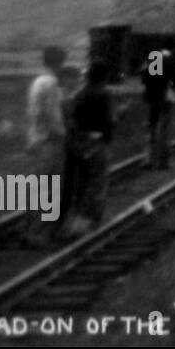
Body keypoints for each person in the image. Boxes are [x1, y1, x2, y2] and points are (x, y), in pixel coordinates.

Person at [64, 61, 116, 235]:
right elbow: (109, 121)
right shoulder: (105, 94)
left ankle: (75, 221)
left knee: (82, 183)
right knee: (97, 184)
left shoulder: (78, 94)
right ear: (104, 77)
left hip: (79, 143)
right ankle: (88, 224)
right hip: (98, 143)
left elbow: (71, 120)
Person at [24, 46, 68, 246]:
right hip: (49, 141)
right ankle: (42, 234)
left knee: (37, 189)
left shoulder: (37, 82)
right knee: (50, 189)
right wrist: (65, 135)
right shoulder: (51, 84)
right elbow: (53, 116)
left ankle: (33, 231)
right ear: (60, 63)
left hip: (35, 139)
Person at [142, 49, 175, 169]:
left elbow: (145, 79)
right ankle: (163, 162)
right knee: (164, 129)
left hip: (152, 97)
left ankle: (149, 160)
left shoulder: (153, 57)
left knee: (152, 128)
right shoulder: (170, 60)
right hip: (165, 97)